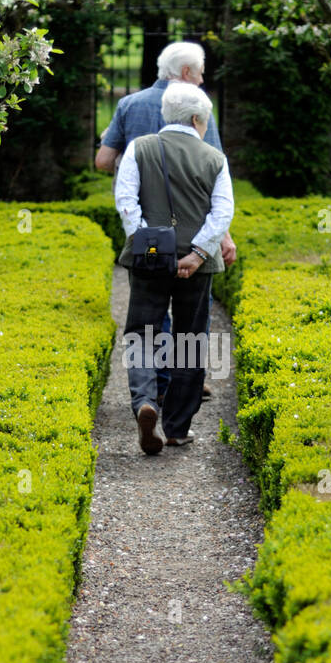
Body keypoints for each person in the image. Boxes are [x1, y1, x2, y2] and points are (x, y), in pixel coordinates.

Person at [96, 42, 237, 403]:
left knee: (144, 324)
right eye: (202, 72)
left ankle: (147, 394)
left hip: (148, 237)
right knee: (193, 328)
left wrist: (142, 234)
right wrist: (217, 239)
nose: (204, 80)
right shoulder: (202, 117)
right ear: (188, 73)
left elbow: (103, 163)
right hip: (195, 240)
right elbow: (218, 190)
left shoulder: (129, 106)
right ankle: (181, 401)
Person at [115, 82, 233, 454]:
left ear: (167, 115)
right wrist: (197, 253)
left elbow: (126, 201)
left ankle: (145, 402)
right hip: (197, 267)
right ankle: (178, 428)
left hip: (149, 261)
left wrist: (149, 244)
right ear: (198, 119)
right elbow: (222, 212)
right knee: (190, 340)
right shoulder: (214, 157)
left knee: (142, 334)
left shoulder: (140, 148)